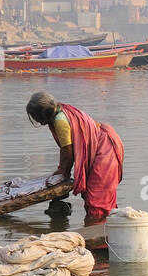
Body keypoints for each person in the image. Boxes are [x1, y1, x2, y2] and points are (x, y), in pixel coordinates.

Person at [25, 91, 124, 223]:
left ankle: (99, 237)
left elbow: (68, 151)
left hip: (105, 149)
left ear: (44, 113)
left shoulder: (59, 121)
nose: (38, 121)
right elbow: (66, 149)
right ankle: (107, 229)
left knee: (97, 198)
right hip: (104, 142)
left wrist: (63, 173)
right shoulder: (61, 110)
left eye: (36, 117)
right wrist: (61, 170)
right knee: (97, 196)